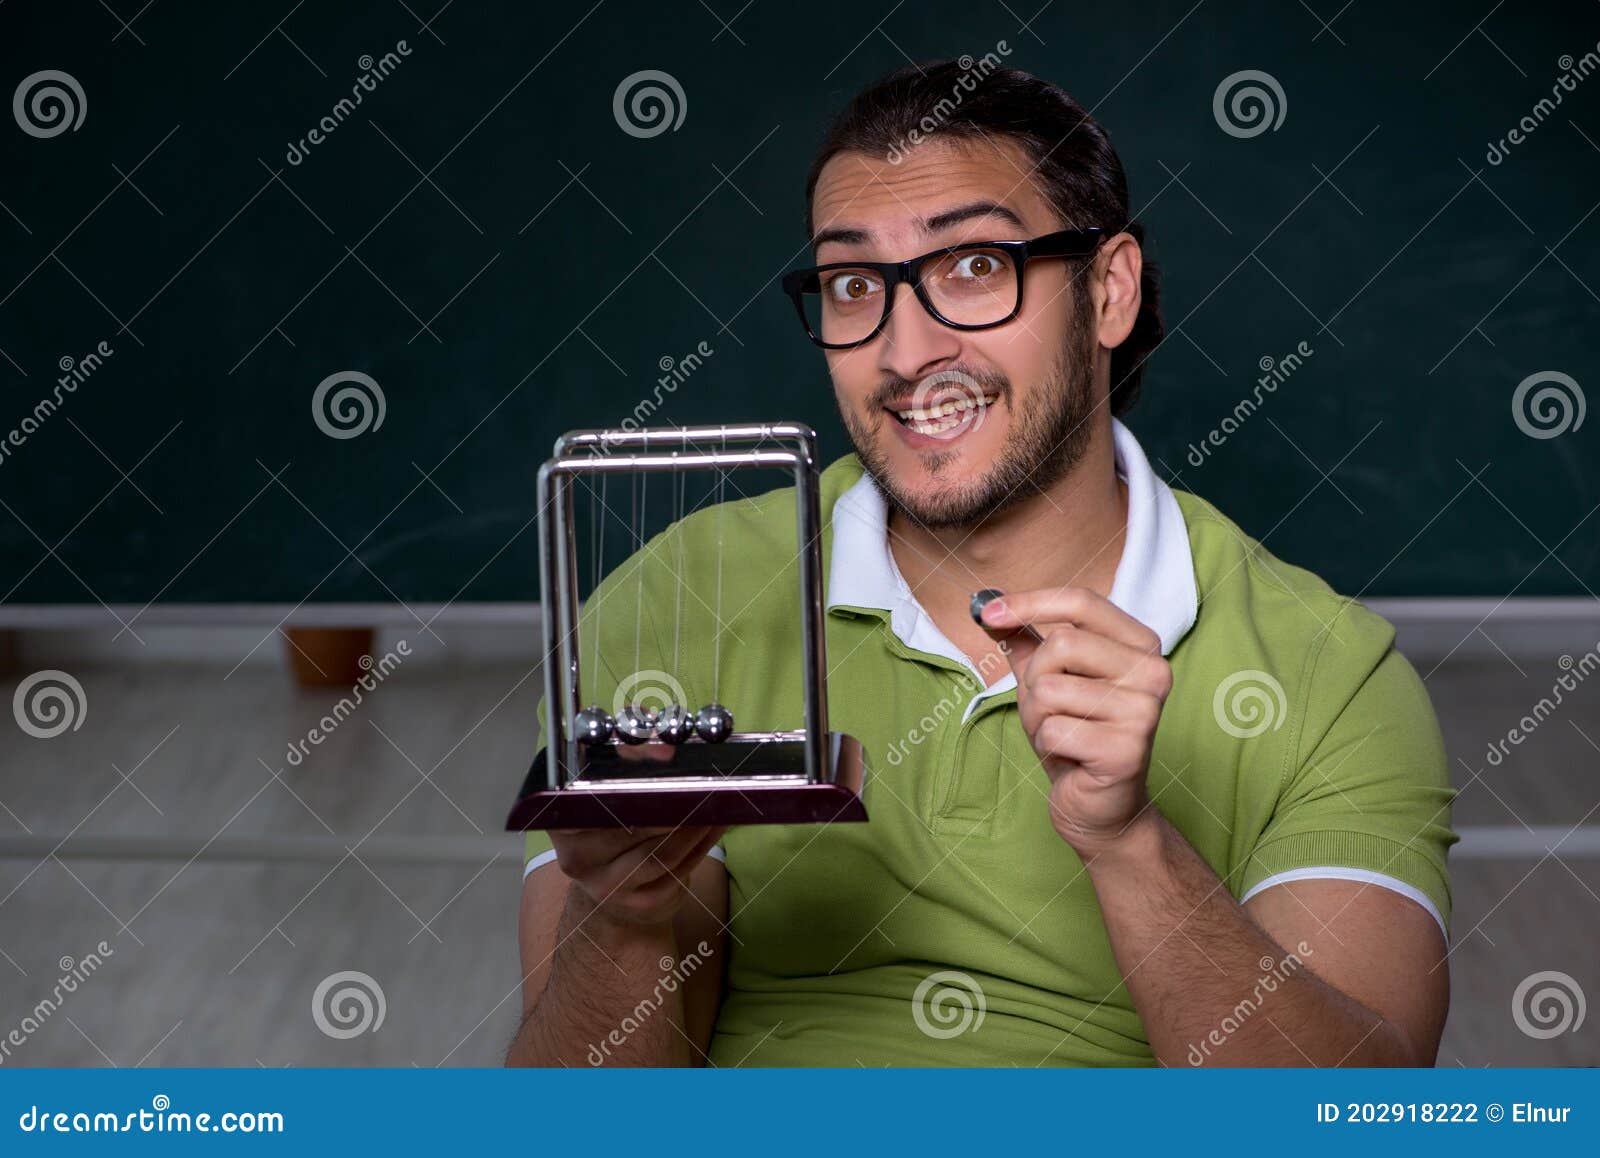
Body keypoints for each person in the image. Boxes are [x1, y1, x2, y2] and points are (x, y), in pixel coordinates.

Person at [506, 61, 1455, 1067]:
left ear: (1109, 290)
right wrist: (625, 913)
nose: (907, 352)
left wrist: (1129, 845)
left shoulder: (1329, 674)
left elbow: (1357, 1120)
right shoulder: (675, 597)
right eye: (852, 284)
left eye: (971, 268)